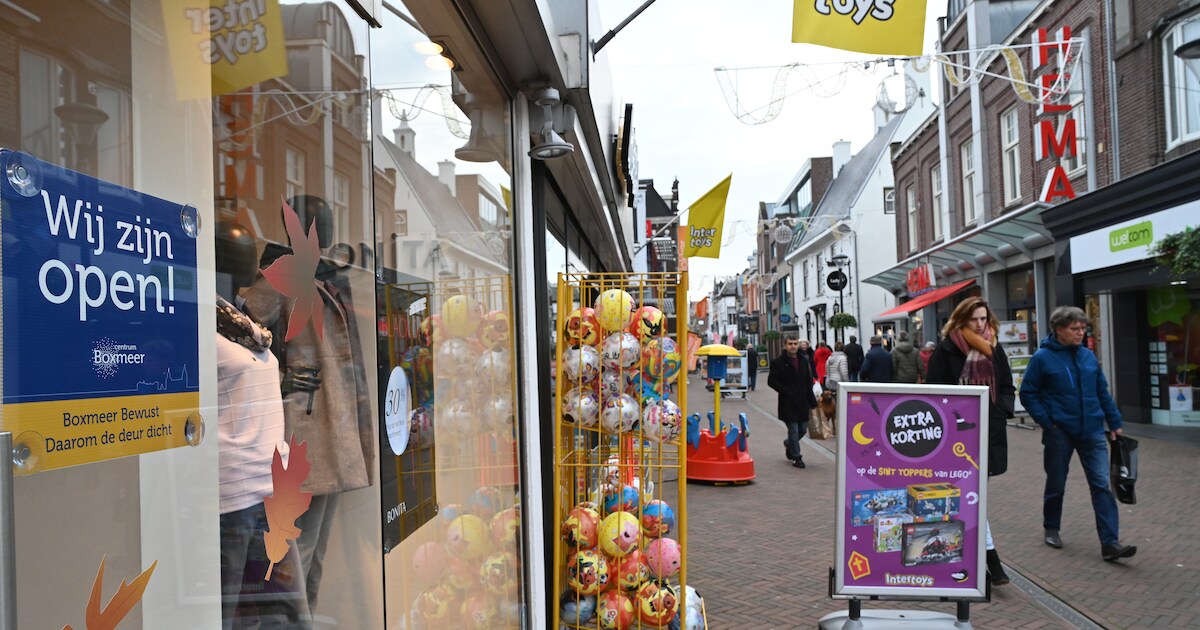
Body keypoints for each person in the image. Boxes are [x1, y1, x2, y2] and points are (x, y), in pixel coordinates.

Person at [215, 221, 311, 627]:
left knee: (292, 613)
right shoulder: (195, 325)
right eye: (233, 255)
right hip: (232, 497)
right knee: (224, 612)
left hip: (272, 491)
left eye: (248, 258)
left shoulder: (247, 327)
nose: (246, 267)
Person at [1019, 306, 1137, 562]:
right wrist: (1048, 422)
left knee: (1101, 486)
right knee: (1057, 483)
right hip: (1059, 432)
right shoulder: (1042, 358)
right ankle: (1051, 527)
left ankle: (1110, 543)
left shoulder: (1088, 357)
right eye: (1075, 328)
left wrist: (1114, 422)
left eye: (1083, 328)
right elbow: (1028, 393)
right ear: (1059, 329)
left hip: (1093, 430)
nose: (1081, 333)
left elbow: (1102, 391)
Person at [926, 297, 1015, 587]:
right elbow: (934, 394)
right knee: (969, 497)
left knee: (974, 497)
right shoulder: (946, 350)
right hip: (957, 437)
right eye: (974, 319)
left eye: (984, 319)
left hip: (988, 432)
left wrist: (999, 409)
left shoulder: (994, 347)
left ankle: (974, 560)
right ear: (962, 320)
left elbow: (1006, 387)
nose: (980, 324)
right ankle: (990, 560)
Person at [767, 336, 818, 469]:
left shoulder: (804, 360)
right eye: (790, 344)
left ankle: (789, 443)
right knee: (794, 430)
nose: (793, 346)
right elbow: (771, 381)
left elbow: (808, 380)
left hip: (802, 401)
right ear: (785, 345)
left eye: (795, 343)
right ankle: (796, 457)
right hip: (788, 402)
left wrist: (812, 401)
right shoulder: (777, 362)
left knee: (802, 429)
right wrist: (785, 390)